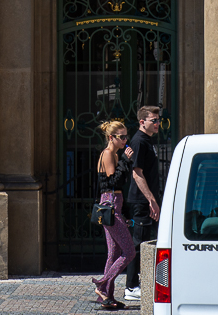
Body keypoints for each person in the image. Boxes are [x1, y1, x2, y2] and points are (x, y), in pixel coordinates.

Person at [122, 105, 163, 304]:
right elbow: (137, 174)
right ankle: (130, 287)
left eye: (158, 120)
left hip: (147, 201)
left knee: (147, 243)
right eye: (153, 120)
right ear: (142, 122)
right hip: (141, 202)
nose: (157, 123)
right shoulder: (139, 142)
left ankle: (140, 282)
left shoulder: (148, 141)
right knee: (138, 245)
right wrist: (151, 201)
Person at [92, 120, 134, 309]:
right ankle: (103, 284)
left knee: (114, 253)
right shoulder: (108, 154)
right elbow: (114, 182)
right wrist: (125, 160)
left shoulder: (114, 154)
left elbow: (121, 181)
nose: (125, 140)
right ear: (111, 138)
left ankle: (106, 297)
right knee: (129, 252)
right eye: (121, 137)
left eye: (126, 136)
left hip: (113, 204)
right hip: (110, 205)